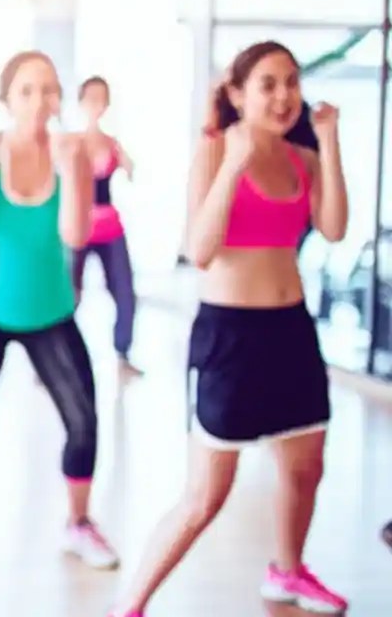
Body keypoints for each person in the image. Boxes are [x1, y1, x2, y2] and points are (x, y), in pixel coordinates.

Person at [109, 41, 349, 617]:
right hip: (230, 337)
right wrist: (235, 162)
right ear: (237, 94)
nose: (284, 95)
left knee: (305, 468)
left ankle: (288, 573)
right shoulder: (215, 151)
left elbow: (335, 228)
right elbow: (201, 249)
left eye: (291, 81)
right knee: (205, 496)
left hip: (291, 330)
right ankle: (130, 605)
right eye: (268, 83)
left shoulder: (304, 159)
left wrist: (332, 140)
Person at [0, 50, 118, 587]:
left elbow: (77, 236)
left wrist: (70, 166)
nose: (40, 101)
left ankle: (78, 523)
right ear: (7, 98)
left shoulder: (71, 152)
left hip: (49, 310)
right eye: (28, 90)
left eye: (49, 90)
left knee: (84, 420)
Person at [71, 77, 143, 377]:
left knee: (125, 292)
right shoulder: (72, 143)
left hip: (110, 226)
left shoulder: (112, 144)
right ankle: (55, 358)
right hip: (78, 226)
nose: (97, 105)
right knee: (67, 294)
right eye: (91, 98)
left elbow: (132, 171)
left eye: (102, 99)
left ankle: (123, 354)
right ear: (81, 102)